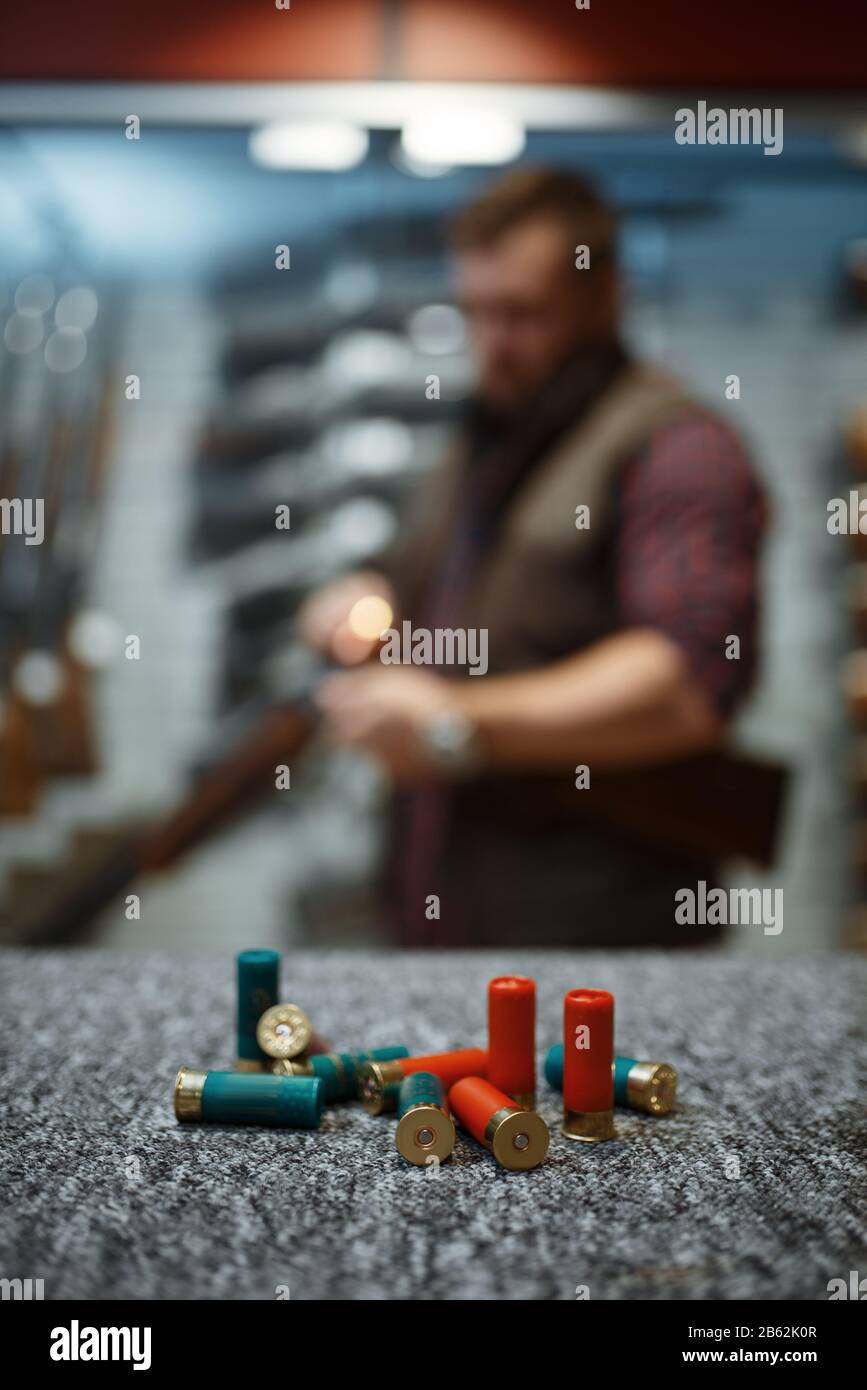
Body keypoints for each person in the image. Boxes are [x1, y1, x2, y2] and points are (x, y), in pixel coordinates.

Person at [300, 167, 767, 948]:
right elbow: (404, 580)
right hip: (448, 912)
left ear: (603, 293)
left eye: (521, 314)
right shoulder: (484, 438)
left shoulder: (680, 447)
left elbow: (687, 681)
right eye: (475, 312)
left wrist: (453, 723)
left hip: (600, 941)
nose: (491, 343)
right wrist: (356, 602)